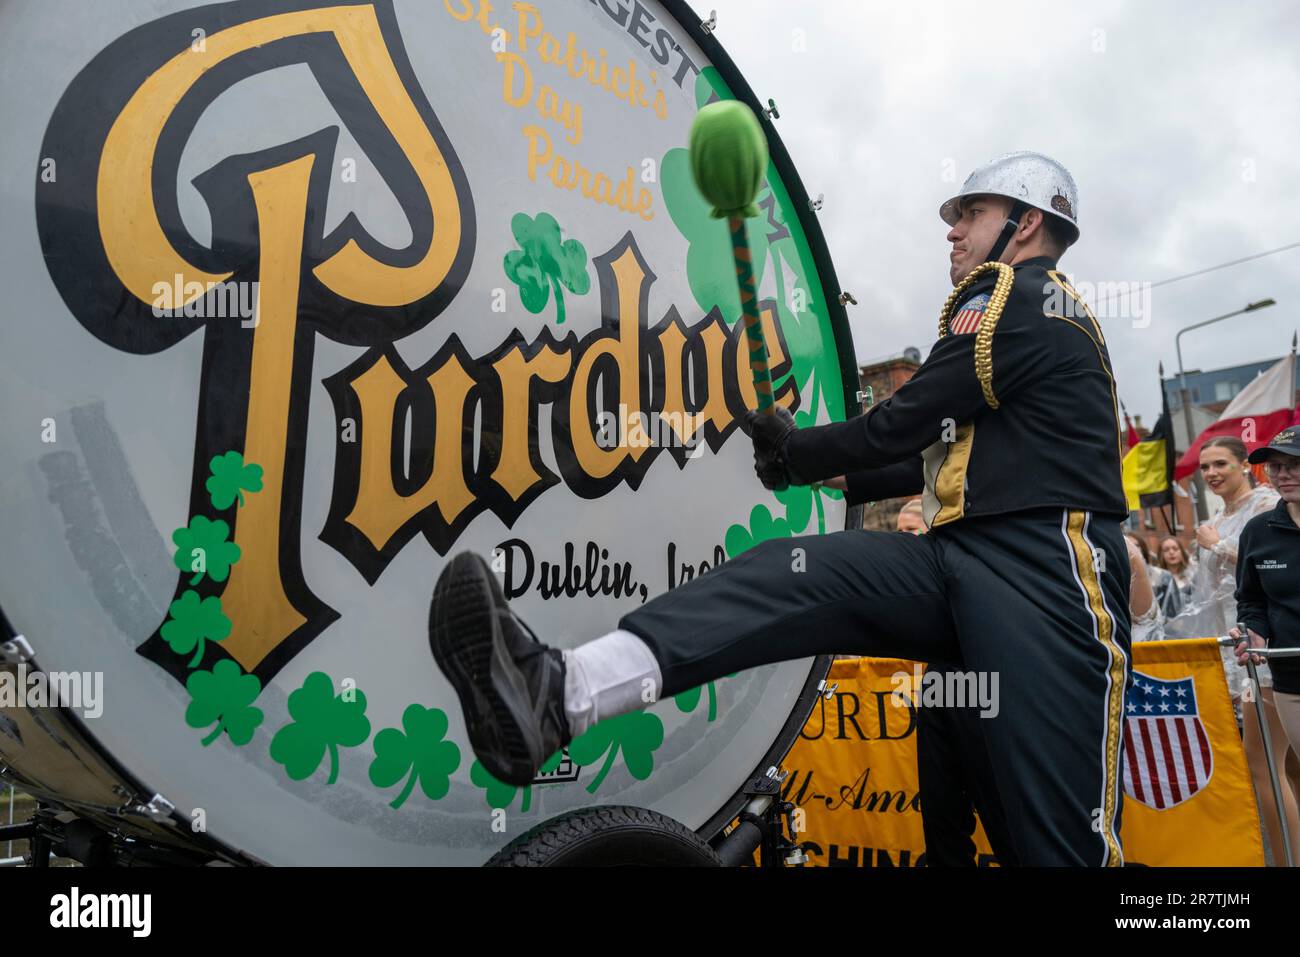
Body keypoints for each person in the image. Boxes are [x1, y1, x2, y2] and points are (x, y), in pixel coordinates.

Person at [429, 151, 1133, 866]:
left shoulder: (1020, 294)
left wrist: (801, 452)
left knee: (1057, 848)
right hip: (969, 559)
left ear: (1027, 223)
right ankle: (561, 692)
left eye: (971, 214)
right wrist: (818, 471)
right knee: (792, 573)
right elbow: (937, 450)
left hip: (1049, 571)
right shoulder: (1024, 313)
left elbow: (909, 418)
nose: (953, 231)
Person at [1230, 428, 1300, 863]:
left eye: (1294, 464)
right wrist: (1252, 632)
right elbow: (1251, 599)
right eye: (1276, 465)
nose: (1284, 473)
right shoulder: (1258, 531)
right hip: (1291, 681)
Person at [1154, 536, 1194, 619]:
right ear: (1161, 554)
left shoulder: (1192, 575)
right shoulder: (1157, 579)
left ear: (1182, 551)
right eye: (1166, 550)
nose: (1171, 552)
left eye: (1175, 549)